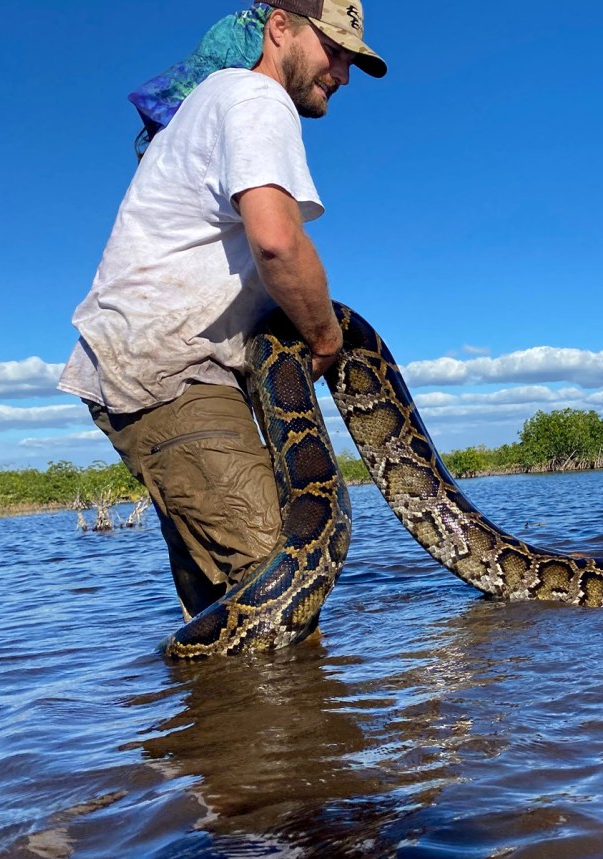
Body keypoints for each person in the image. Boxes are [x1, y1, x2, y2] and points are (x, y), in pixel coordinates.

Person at [58, 1, 387, 622]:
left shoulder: (215, 103)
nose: (341, 72)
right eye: (333, 50)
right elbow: (276, 240)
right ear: (280, 28)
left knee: (221, 605)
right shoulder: (255, 99)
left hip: (156, 362)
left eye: (350, 59)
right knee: (278, 576)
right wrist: (322, 339)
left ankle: (207, 719)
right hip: (175, 371)